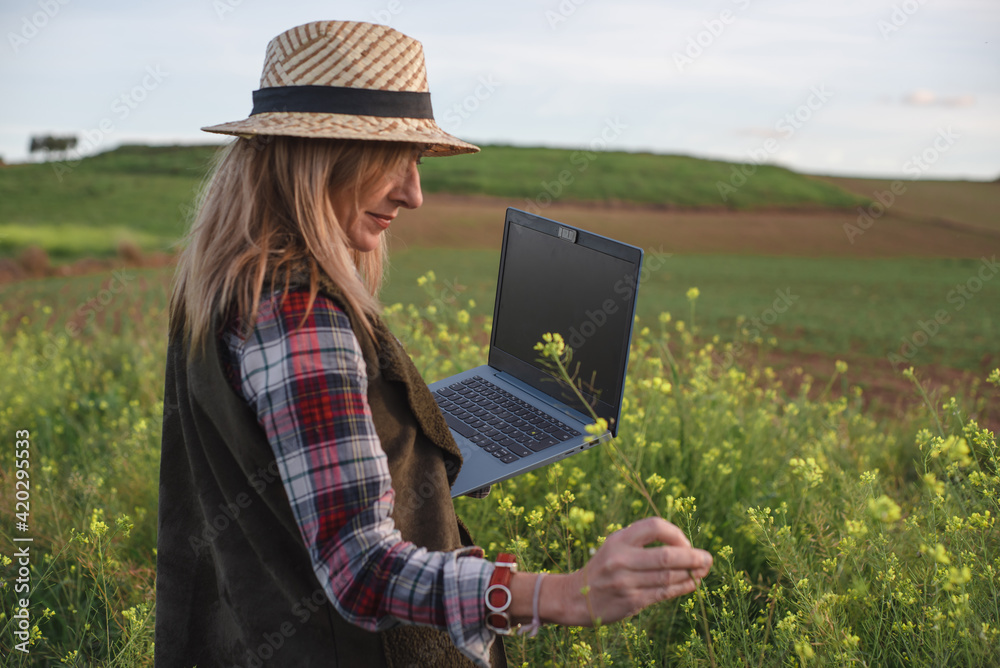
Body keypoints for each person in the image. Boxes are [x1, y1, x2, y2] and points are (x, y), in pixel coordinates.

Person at [155, 20, 712, 668]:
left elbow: (283, 468)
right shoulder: (301, 316)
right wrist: (562, 594)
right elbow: (359, 567)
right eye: (394, 158)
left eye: (415, 162)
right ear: (316, 156)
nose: (414, 193)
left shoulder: (222, 282)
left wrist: (419, 447)